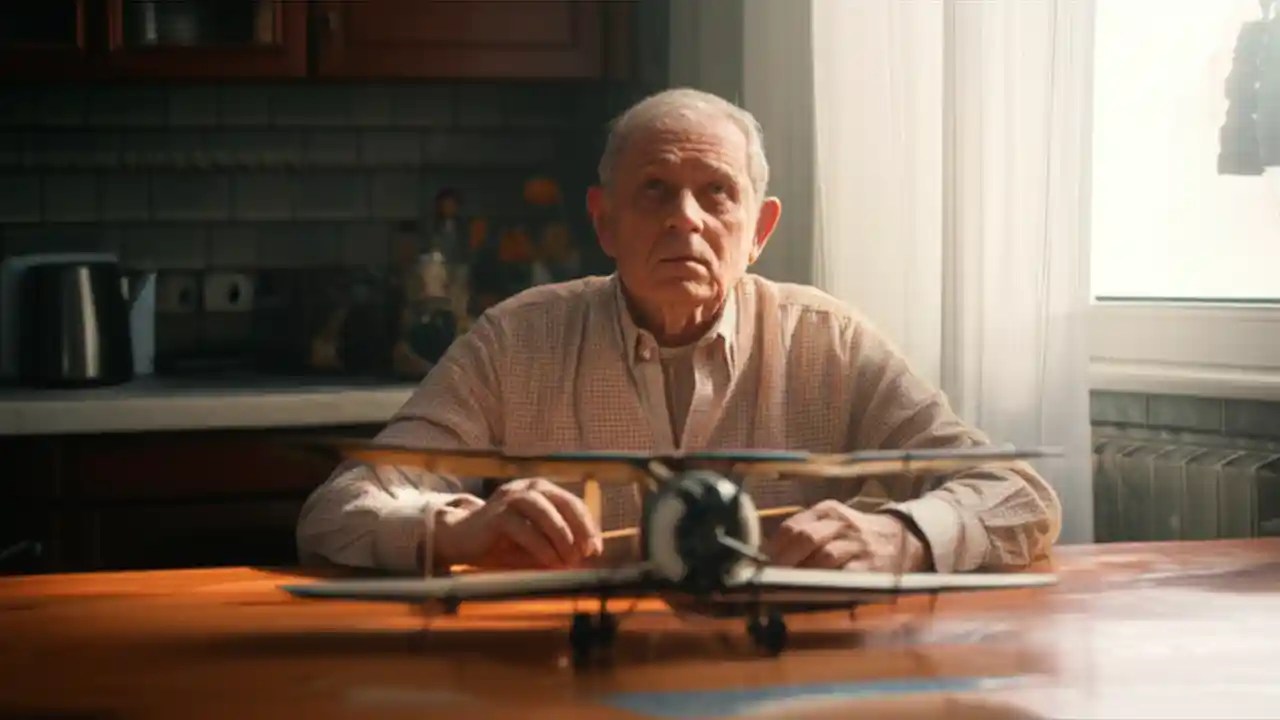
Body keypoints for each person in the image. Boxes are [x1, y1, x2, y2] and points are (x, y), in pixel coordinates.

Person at [296, 88, 1062, 577]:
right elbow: (337, 510)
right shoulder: (514, 342)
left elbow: (1018, 495)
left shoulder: (827, 341)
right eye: (654, 190)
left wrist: (904, 536)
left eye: (716, 194)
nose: (685, 219)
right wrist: (458, 532)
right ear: (604, 221)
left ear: (758, 230)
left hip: (782, 679)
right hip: (565, 676)